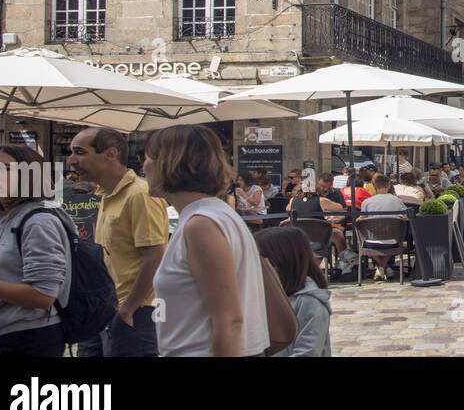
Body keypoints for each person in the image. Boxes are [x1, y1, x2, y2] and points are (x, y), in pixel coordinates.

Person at [147, 125, 269, 357]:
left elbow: (229, 320)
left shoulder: (201, 224)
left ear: (172, 162)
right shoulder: (212, 214)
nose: (144, 165)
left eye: (149, 157)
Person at [0, 144, 72, 357]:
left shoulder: (37, 221)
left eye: (5, 169)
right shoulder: (9, 217)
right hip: (2, 335)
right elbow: (7, 282)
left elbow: (42, 295)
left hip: (25, 339)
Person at [67, 127, 168, 357]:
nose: (71, 160)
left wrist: (127, 308)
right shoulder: (106, 194)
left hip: (135, 312)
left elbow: (155, 257)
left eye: (79, 152)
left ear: (110, 154)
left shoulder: (139, 194)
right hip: (104, 309)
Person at [254, 226, 332, 357]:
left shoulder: (309, 301)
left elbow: (308, 352)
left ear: (280, 260)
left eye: (260, 262)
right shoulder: (265, 295)